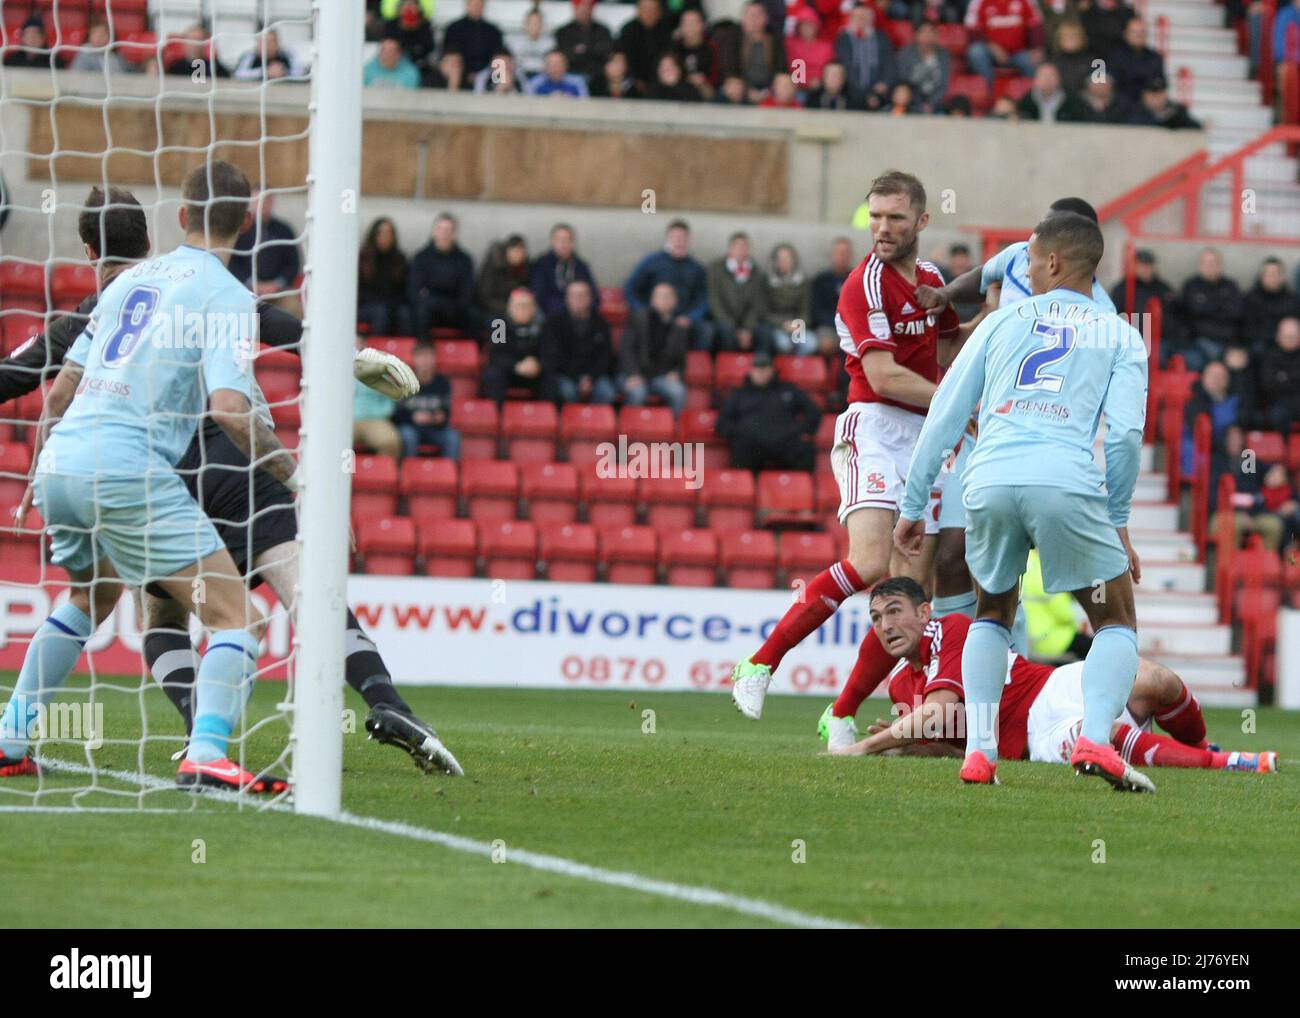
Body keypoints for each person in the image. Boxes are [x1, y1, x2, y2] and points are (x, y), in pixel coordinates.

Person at [0, 185, 452, 779]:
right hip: (213, 454)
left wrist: (39, 462)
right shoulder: (198, 283)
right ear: (156, 235)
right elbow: (266, 323)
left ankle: (44, 736)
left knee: (125, 605)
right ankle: (362, 706)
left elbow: (26, 378)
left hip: (115, 461)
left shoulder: (105, 305)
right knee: (282, 597)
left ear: (88, 251)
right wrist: (351, 355)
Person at [6, 163, 288, 792]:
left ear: (181, 217)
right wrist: (293, 476)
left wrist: (35, 477)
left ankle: (9, 738)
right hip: (128, 466)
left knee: (93, 596)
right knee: (239, 616)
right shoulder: (227, 295)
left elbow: (60, 395)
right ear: (246, 224)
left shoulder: (130, 283)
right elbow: (229, 411)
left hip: (64, 463)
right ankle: (206, 752)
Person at [894, 211, 1152, 792]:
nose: (1025, 268)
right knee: (1114, 618)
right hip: (1064, 480)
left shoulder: (1000, 323)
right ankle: (1094, 738)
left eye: (1030, 259)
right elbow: (1128, 436)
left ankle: (981, 753)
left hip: (989, 478)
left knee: (992, 610)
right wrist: (1117, 519)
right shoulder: (1119, 334)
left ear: (1054, 262)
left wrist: (914, 505)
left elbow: (945, 415)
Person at [728, 171, 961, 723]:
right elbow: (882, 378)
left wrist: (996, 326)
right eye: (874, 216)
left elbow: (951, 337)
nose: (881, 228)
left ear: (921, 222)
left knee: (911, 592)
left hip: (926, 437)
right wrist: (960, 406)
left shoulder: (931, 276)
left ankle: (842, 712)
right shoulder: (865, 284)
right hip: (877, 426)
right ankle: (760, 662)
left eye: (895, 218)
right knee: (870, 562)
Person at [830, 579, 1276, 773]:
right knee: (1104, 735)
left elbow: (937, 712)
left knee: (1157, 679)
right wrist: (911, 748)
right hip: (1034, 736)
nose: (885, 626)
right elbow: (951, 740)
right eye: (875, 618)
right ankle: (1228, 762)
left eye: (894, 612)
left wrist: (867, 747)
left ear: (925, 612)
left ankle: (1199, 751)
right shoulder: (900, 686)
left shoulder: (952, 630)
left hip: (1051, 683)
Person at [717, 353, 822, 471]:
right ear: (751, 371)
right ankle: (744, 487)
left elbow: (813, 411)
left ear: (772, 370)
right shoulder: (739, 393)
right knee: (741, 448)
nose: (761, 372)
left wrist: (801, 431)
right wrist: (740, 433)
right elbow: (723, 423)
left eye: (765, 368)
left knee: (805, 449)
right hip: (752, 446)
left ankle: (801, 488)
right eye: (757, 368)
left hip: (785, 443)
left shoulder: (788, 389)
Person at [624, 219, 711, 350]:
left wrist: (691, 317)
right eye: (675, 237)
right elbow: (630, 289)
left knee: (707, 330)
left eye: (683, 237)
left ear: (689, 240)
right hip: (653, 317)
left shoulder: (696, 268)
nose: (679, 241)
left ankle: (692, 365)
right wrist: (644, 310)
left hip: (683, 318)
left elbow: (703, 298)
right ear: (667, 239)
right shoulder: (651, 262)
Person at [226, 188, 303, 318]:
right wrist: (251, 283)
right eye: (257, 201)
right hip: (244, 290)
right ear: (250, 203)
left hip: (278, 292)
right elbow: (231, 263)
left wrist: (277, 284)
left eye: (266, 201)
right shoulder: (239, 230)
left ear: (272, 202)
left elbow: (293, 264)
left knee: (294, 309)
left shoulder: (284, 230)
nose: (262, 205)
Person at [620, 282, 688, 415]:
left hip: (660, 376)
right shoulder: (638, 318)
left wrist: (676, 373)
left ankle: (671, 431)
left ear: (675, 301)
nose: (665, 300)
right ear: (652, 300)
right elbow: (626, 350)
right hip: (633, 373)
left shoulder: (679, 328)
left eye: (668, 297)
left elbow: (681, 361)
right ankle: (627, 434)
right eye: (661, 296)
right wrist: (633, 374)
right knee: (638, 392)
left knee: (678, 391)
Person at [546, 280, 619, 404]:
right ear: (567, 299)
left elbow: (606, 356)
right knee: (567, 391)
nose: (578, 299)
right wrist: (577, 378)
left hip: (594, 376)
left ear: (590, 298)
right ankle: (571, 423)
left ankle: (595, 421)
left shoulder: (601, 323)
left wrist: (590, 377)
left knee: (608, 393)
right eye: (574, 295)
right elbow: (553, 356)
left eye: (583, 295)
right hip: (565, 374)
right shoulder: (554, 323)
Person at [408, 212, 476, 338]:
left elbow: (467, 291)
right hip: (428, 308)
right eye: (440, 229)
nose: (444, 234)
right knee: (415, 313)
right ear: (434, 232)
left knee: (493, 320)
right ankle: (423, 350)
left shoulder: (464, 260)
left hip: (455, 309)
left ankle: (471, 354)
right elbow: (415, 291)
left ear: (455, 234)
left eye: (449, 230)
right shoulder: (421, 258)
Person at [482, 288, 555, 402]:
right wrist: (516, 366)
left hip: (535, 372)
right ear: (509, 308)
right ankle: (497, 416)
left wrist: (538, 365)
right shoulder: (499, 324)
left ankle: (545, 417)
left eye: (527, 306)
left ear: (534, 308)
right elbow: (496, 354)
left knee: (552, 381)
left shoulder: (544, 325)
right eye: (518, 305)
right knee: (492, 376)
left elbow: (550, 353)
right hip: (508, 370)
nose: (522, 309)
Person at [393, 343, 460, 459]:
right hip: (411, 427)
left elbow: (446, 411)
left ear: (434, 359)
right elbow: (396, 414)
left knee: (452, 437)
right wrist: (414, 417)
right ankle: (409, 471)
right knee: (407, 435)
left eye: (429, 356)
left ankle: (447, 473)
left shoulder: (442, 383)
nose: (425, 360)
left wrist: (439, 417)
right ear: (414, 358)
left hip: (435, 428)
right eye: (421, 356)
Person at [1179, 247, 1243, 370]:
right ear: (1200, 266)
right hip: (1198, 343)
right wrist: (1219, 306)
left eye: (1213, 263)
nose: (1210, 266)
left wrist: (1205, 307)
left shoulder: (1230, 286)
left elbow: (1236, 313)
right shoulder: (1191, 286)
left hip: (1227, 343)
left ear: (1220, 265)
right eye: (1206, 263)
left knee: (1239, 362)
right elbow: (1188, 314)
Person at [708, 231, 768, 353]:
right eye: (737, 246)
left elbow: (758, 303)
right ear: (729, 249)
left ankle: (760, 368)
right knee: (725, 333)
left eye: (744, 247)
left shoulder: (757, 272)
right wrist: (733, 327)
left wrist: (747, 328)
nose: (741, 250)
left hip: (748, 323)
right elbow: (714, 300)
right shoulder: (716, 269)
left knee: (765, 333)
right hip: (724, 321)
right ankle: (729, 369)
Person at [963, 0, 1043, 86]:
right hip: (990, 52)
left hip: (1018, 52)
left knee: (1032, 60)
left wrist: (1037, 47)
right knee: (975, 52)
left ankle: (1029, 95)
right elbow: (972, 30)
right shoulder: (978, 1)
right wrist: (991, 46)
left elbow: (1035, 25)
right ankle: (987, 92)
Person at [834, 4, 895, 110]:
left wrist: (884, 82)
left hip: (879, 93)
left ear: (871, 19)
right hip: (851, 93)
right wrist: (866, 95)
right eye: (857, 17)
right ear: (851, 19)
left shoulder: (882, 38)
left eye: (864, 16)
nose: (861, 20)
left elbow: (889, 64)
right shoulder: (843, 39)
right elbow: (845, 67)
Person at [357, 216, 412, 336]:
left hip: (393, 305)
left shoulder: (399, 259)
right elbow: (358, 291)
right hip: (367, 306)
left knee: (405, 313)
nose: (385, 236)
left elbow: (405, 289)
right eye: (381, 233)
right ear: (374, 235)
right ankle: (377, 349)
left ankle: (404, 350)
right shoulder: (363, 259)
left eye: (389, 233)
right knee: (381, 312)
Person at [530, 223, 598, 319]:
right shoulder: (542, 264)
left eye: (567, 240)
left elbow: (593, 295)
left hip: (580, 315)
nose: (563, 244)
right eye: (560, 240)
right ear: (552, 241)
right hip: (550, 315)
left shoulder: (581, 266)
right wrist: (565, 308)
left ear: (573, 242)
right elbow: (539, 295)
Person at [354, 339, 404, 459]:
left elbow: (390, 403)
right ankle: (344, 475)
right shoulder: (337, 373)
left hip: (375, 420)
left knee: (391, 442)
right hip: (346, 421)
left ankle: (379, 474)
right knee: (333, 441)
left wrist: (373, 413)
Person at [1242, 256, 1300, 353]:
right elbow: (1247, 329)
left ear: (1283, 277)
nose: (1273, 278)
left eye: (1277, 274)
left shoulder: (1293, 299)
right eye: (1269, 274)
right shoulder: (1251, 299)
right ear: (1261, 277)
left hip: (1289, 345)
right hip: (1262, 345)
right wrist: (1274, 336)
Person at [761, 243, 811, 353]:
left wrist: (798, 324)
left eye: (787, 258)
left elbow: (805, 310)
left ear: (794, 260)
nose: (784, 262)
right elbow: (764, 312)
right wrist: (783, 324)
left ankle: (799, 368)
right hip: (776, 326)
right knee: (783, 344)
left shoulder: (801, 281)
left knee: (810, 344)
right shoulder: (766, 281)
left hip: (797, 325)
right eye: (780, 259)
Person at [810, 236, 853, 357]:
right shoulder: (820, 280)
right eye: (838, 253)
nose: (842, 257)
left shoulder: (858, 279)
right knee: (826, 343)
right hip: (827, 326)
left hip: (852, 326)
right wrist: (837, 325)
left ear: (851, 256)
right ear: (831, 255)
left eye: (845, 253)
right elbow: (816, 311)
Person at [1256, 316, 1300, 434]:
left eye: (1293, 336)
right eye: (1287, 336)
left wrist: (1284, 378)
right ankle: (1285, 450)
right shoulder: (1269, 356)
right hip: (1277, 404)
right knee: (1276, 415)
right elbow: (1268, 385)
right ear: (1278, 336)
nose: (1290, 339)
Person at [477, 234, 533, 324]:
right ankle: (500, 339)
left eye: (521, 251)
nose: (518, 254)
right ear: (507, 251)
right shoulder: (493, 266)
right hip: (495, 310)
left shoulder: (527, 268)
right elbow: (485, 298)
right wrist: (509, 308)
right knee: (498, 323)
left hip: (521, 308)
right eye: (515, 251)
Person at [618, 0, 675, 86]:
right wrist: (635, 80)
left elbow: (669, 56)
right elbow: (622, 57)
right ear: (638, 11)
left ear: (659, 12)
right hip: (632, 79)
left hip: (661, 80)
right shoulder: (628, 30)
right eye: (645, 9)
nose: (649, 13)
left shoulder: (666, 30)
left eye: (652, 10)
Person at [897, 21, 950, 114]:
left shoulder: (944, 56)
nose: (927, 36)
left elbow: (943, 84)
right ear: (916, 35)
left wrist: (931, 104)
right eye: (924, 32)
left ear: (936, 35)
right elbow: (903, 79)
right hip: (912, 102)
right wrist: (919, 105)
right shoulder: (907, 53)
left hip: (935, 104)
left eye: (930, 32)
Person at [443, 0, 507, 77]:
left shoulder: (493, 31)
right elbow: (448, 53)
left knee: (501, 61)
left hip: (487, 73)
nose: (477, 7)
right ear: (467, 5)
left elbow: (499, 52)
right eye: (474, 4)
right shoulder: (454, 28)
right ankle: (452, 88)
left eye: (480, 4)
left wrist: (480, 74)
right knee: (452, 61)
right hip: (460, 72)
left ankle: (500, 88)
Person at [1107, 16, 1164, 101]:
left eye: (1142, 32)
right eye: (1135, 32)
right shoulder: (1114, 57)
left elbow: (1160, 84)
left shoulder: (1155, 57)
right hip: (1120, 106)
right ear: (1125, 34)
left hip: (1148, 106)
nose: (1139, 35)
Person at [556, 0, 614, 80]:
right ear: (575, 10)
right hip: (570, 74)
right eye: (581, 9)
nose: (584, 12)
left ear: (591, 10)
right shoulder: (564, 31)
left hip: (597, 75)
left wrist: (583, 50)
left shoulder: (602, 30)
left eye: (586, 9)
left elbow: (605, 52)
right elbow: (565, 54)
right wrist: (590, 49)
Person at [1016, 62, 1090, 121]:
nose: (1047, 80)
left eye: (1051, 76)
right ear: (1035, 80)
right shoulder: (1026, 101)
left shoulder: (1072, 100)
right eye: (1043, 76)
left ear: (1059, 79)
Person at [1127, 75, 1201, 129]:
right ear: (1144, 95)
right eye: (1152, 94)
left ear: (1165, 95)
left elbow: (1196, 128)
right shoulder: (1133, 111)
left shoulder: (1176, 111)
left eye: (1159, 94)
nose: (1155, 98)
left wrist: (1174, 119)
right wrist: (1161, 119)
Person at [786, 6, 834, 90]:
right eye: (803, 25)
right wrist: (806, 82)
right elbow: (792, 68)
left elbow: (829, 69)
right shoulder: (790, 44)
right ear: (798, 27)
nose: (807, 28)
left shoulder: (826, 47)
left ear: (817, 26)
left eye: (810, 25)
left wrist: (820, 81)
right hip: (796, 88)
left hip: (821, 87)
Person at [232, 27, 306, 81]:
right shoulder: (249, 56)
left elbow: (300, 74)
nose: (270, 46)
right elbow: (238, 74)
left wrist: (283, 73)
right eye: (266, 42)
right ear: (258, 44)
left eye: (273, 42)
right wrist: (265, 72)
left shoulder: (287, 55)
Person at [1049, 20, 1096, 96]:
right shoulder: (1052, 63)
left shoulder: (1095, 62)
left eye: (1073, 36)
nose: (1070, 39)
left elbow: (1100, 91)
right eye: (1065, 36)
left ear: (1082, 39)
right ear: (1059, 40)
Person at [164, 24, 229, 78]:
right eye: (190, 39)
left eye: (198, 40)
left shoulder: (215, 68)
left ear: (205, 43)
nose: (194, 44)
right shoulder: (175, 68)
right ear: (184, 42)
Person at [508, 7, 555, 78]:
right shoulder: (514, 43)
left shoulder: (550, 44)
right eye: (531, 23)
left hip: (543, 76)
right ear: (525, 24)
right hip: (520, 76)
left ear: (542, 25)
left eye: (537, 23)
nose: (534, 26)